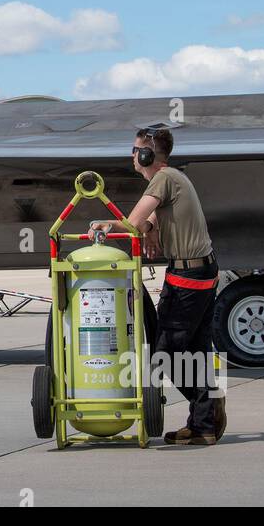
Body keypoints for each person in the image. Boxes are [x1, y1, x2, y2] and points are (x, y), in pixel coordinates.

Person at [89, 127, 226, 445]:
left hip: (187, 278)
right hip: (202, 272)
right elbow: (157, 217)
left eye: (135, 150)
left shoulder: (163, 179)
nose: (133, 156)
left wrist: (104, 225)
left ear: (147, 154)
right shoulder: (174, 178)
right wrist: (151, 228)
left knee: (164, 354)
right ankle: (202, 426)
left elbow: (130, 223)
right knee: (196, 352)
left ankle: (208, 404)